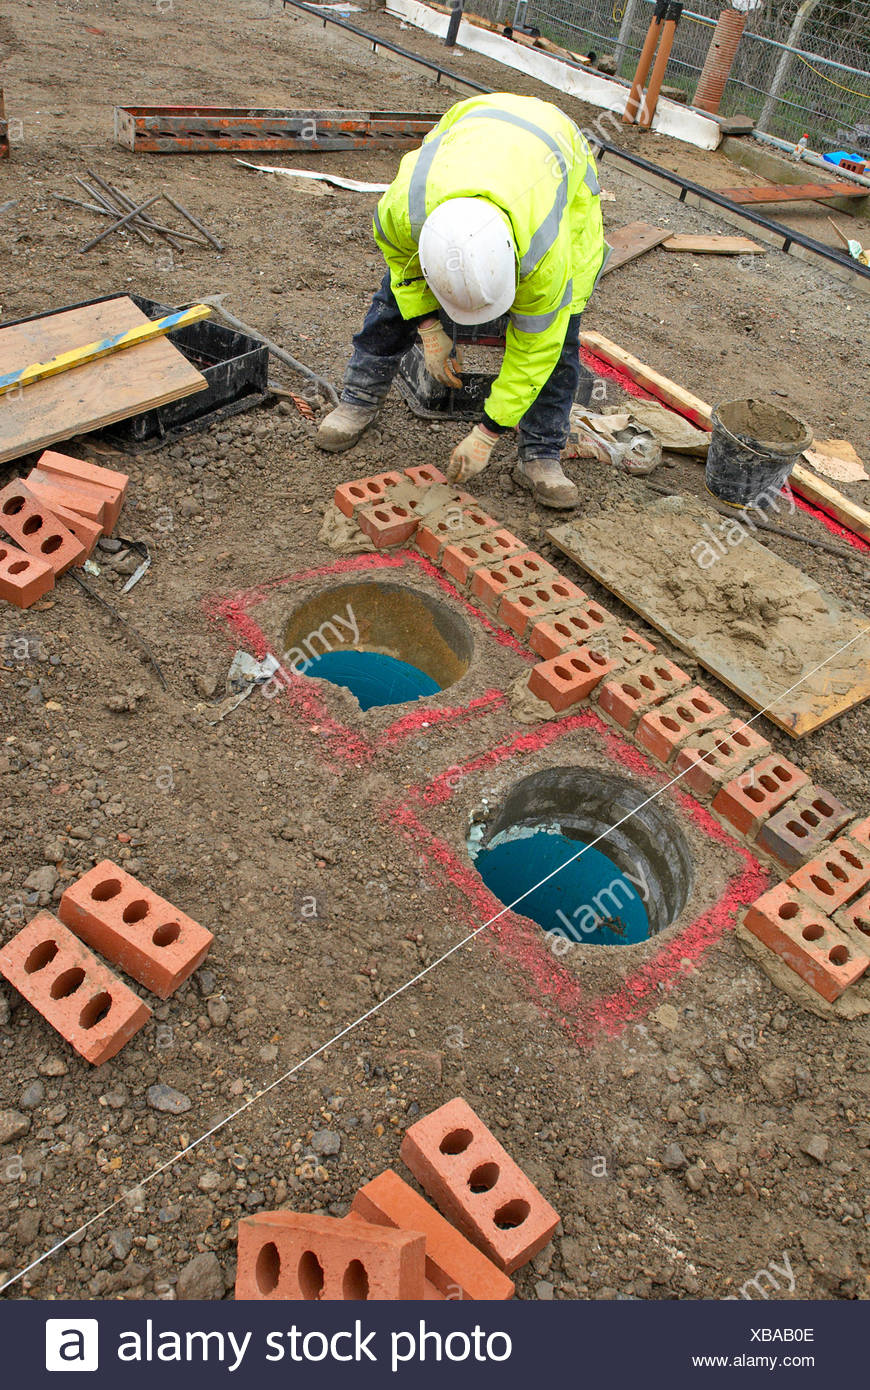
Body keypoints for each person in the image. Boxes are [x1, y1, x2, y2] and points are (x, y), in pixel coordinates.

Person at [315, 92, 608, 509]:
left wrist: (487, 432)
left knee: (560, 337)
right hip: (475, 132)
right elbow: (405, 269)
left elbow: (534, 351)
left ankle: (540, 453)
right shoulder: (405, 209)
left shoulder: (546, 253)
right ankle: (357, 401)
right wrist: (430, 329)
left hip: (557, 158)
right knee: (392, 301)